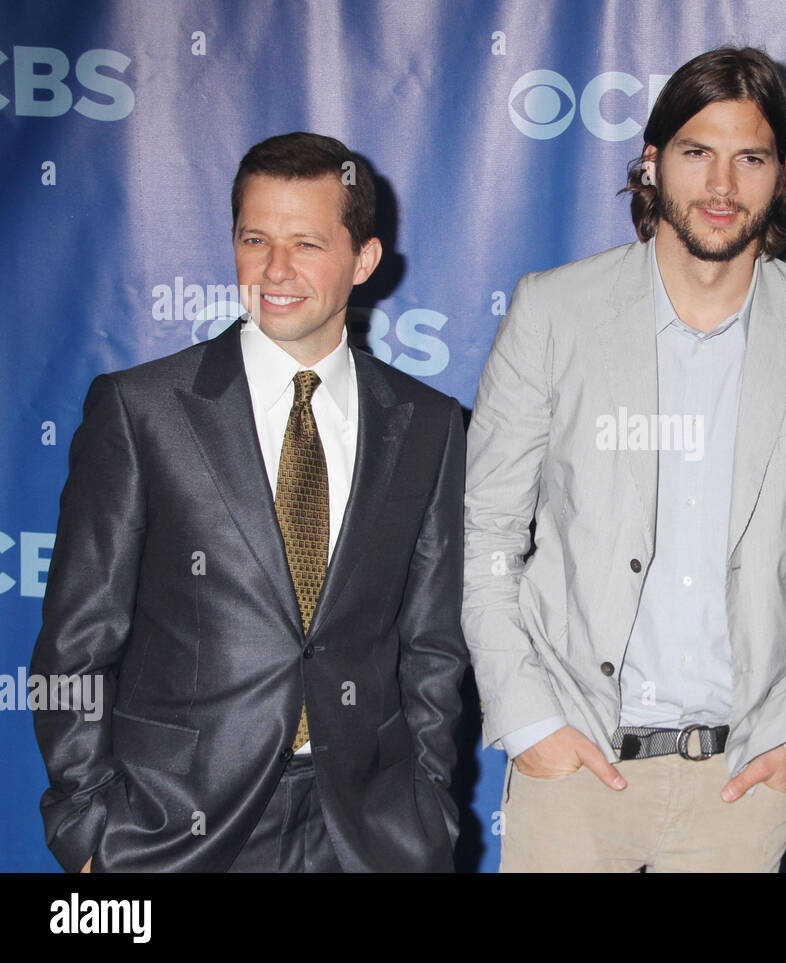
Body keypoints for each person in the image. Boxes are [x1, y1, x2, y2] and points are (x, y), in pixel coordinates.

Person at [463, 46, 786, 872]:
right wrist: (528, 722)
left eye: (751, 157)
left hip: (746, 779)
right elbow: (485, 531)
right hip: (575, 764)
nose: (723, 185)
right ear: (653, 164)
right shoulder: (554, 310)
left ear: (784, 174)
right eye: (697, 152)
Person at [31, 132, 468, 872]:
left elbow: (433, 645)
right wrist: (87, 829)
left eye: (306, 242)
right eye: (255, 238)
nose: (275, 270)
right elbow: (75, 644)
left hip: (366, 829)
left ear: (363, 259)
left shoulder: (428, 423)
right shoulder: (142, 411)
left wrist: (427, 806)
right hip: (173, 832)